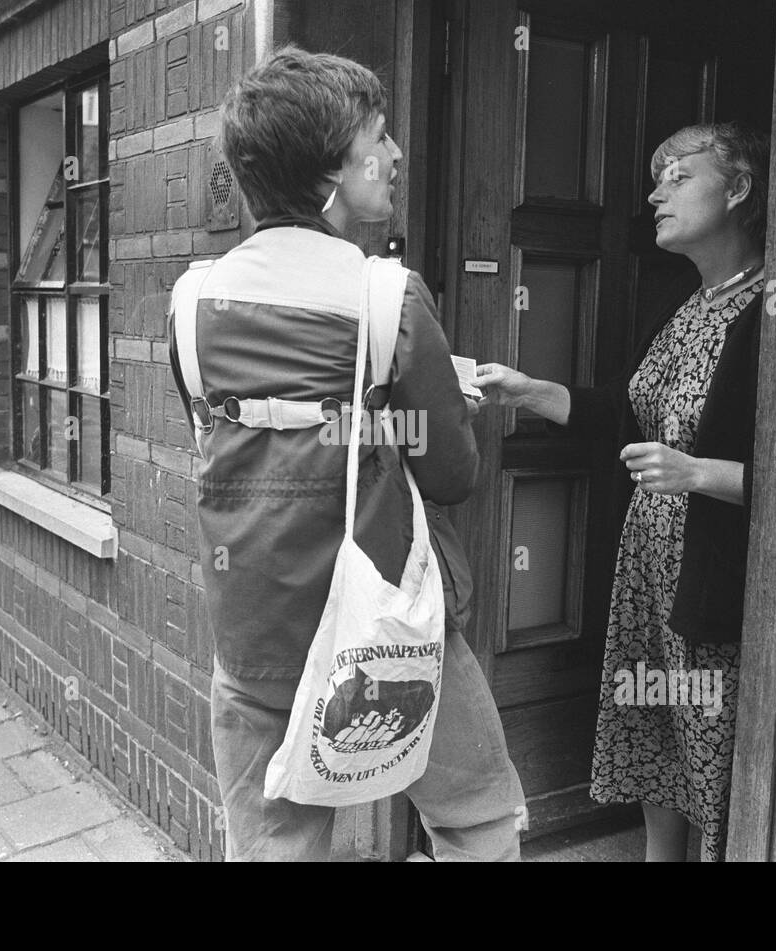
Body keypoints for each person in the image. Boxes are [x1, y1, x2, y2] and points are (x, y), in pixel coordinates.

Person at [168, 45, 525, 862]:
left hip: (253, 626)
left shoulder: (192, 303)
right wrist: (439, 410)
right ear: (331, 168)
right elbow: (453, 475)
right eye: (379, 135)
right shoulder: (386, 296)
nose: (396, 155)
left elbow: (224, 439)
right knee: (477, 822)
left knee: (271, 847)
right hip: (386, 629)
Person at [475, 122, 769, 861]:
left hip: (715, 580)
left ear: (738, 189)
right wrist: (531, 391)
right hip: (650, 569)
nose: (654, 192)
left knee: (712, 746)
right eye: (654, 175)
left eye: (677, 173)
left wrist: (697, 474)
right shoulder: (687, 303)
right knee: (660, 734)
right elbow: (626, 413)